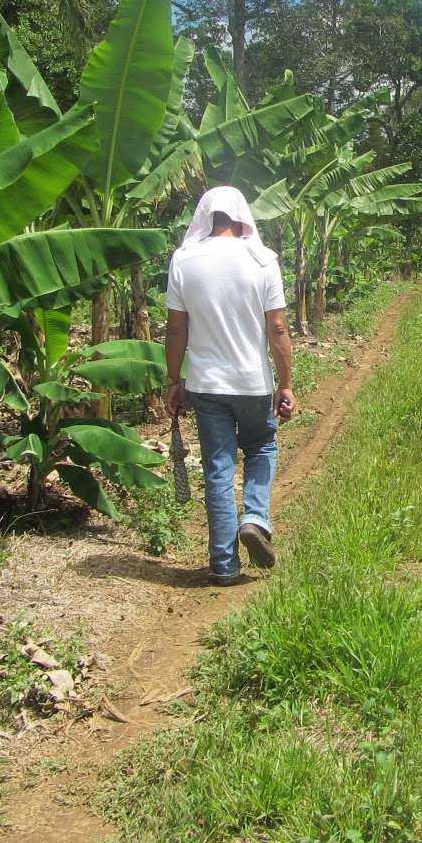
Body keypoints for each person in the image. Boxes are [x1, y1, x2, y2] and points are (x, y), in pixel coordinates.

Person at [165, 187, 295, 585]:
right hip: (253, 384)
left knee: (218, 469)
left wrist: (175, 380)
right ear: (241, 217)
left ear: (204, 216)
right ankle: (255, 516)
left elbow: (175, 329)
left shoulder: (184, 260)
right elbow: (277, 328)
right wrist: (286, 383)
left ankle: (223, 566)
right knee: (261, 446)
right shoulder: (262, 260)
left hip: (206, 385)